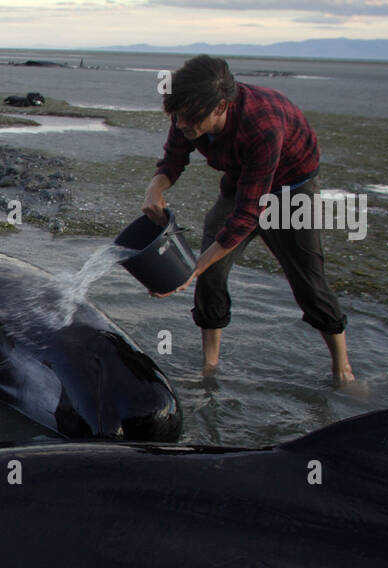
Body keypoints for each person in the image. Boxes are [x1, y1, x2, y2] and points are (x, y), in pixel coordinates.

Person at [144, 55, 354, 383]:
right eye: (176, 116)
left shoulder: (262, 124)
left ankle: (342, 368)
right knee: (212, 275)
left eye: (189, 118)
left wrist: (193, 268)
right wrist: (154, 189)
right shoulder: (187, 110)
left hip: (290, 188)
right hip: (242, 180)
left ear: (221, 107)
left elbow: (246, 217)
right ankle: (210, 367)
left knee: (308, 281)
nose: (181, 124)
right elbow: (173, 159)